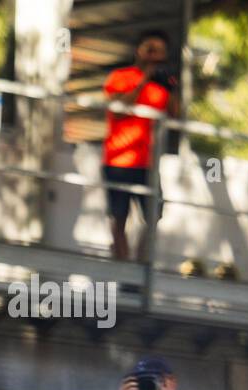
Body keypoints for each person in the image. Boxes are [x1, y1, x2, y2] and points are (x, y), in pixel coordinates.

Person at [102, 29, 178, 261]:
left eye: (159, 52)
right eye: (150, 50)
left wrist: (172, 88)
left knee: (154, 215)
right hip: (118, 161)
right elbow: (118, 109)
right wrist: (143, 80)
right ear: (139, 50)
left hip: (147, 163)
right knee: (119, 217)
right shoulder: (121, 76)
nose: (154, 56)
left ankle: (139, 267)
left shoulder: (162, 86)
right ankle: (121, 265)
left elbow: (176, 117)